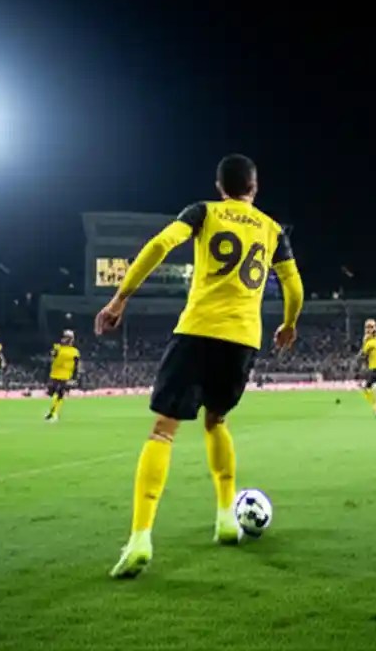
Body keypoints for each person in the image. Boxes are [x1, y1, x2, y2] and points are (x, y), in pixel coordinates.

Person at [96, 153, 305, 580]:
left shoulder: (202, 212)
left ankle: (139, 538)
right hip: (242, 339)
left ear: (219, 185)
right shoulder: (271, 228)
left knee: (163, 430)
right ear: (254, 187)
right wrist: (288, 324)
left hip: (197, 329)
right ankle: (227, 517)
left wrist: (120, 298)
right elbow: (294, 285)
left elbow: (159, 245)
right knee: (216, 420)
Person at [44, 330, 82, 423]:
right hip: (54, 374)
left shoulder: (75, 351)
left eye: (69, 338)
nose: (67, 340)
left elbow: (77, 365)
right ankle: (52, 411)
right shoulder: (58, 348)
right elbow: (52, 354)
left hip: (65, 375)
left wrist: (76, 376)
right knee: (52, 393)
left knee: (60, 394)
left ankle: (55, 413)